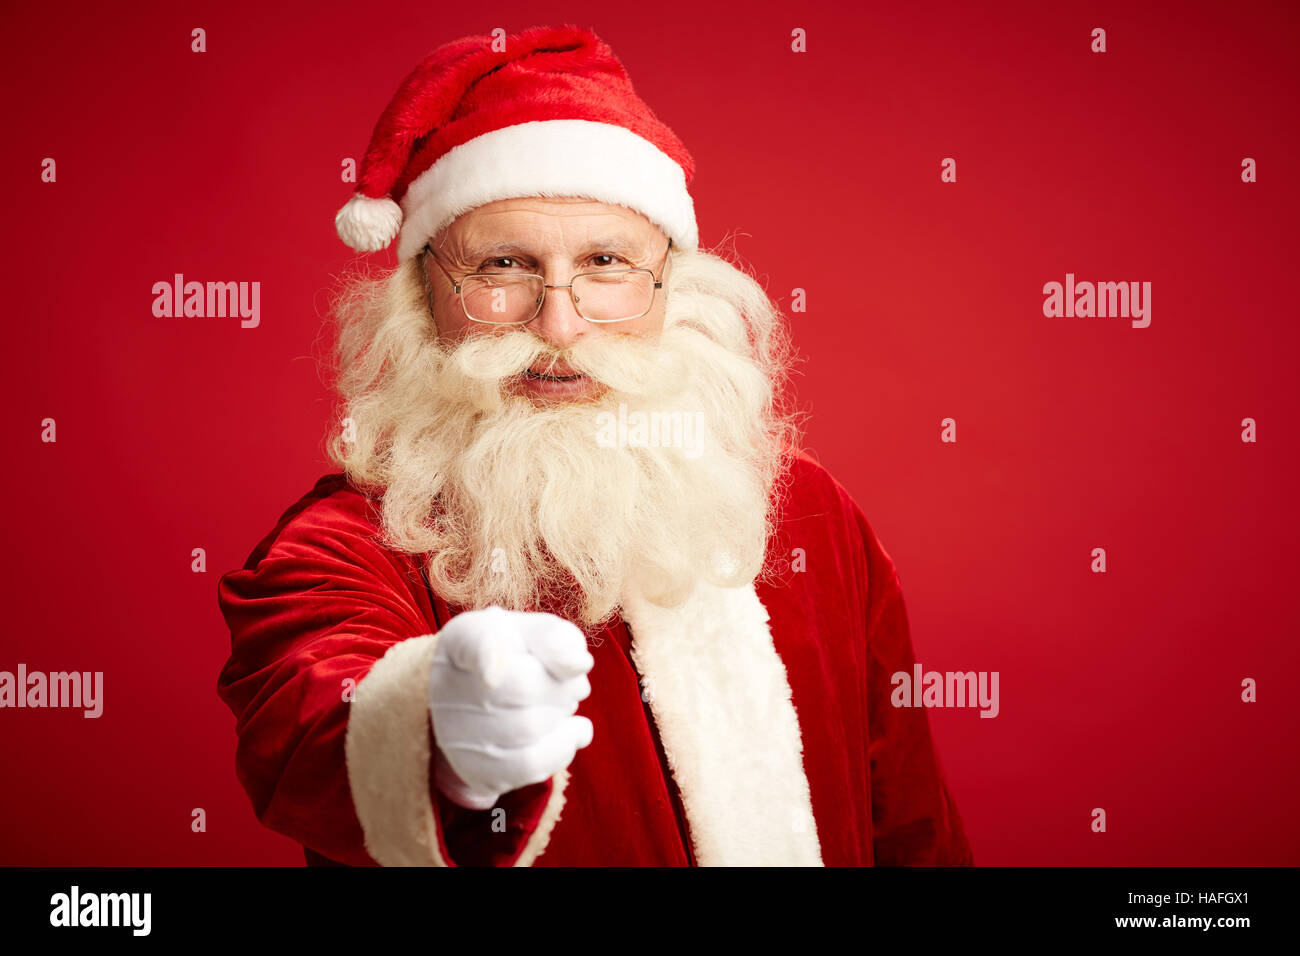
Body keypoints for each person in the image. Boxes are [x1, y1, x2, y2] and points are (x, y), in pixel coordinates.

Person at [216, 23, 973, 867]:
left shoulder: (809, 515)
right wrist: (438, 725)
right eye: (503, 266)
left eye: (607, 262)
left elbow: (911, 828)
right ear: (423, 293)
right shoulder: (347, 544)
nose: (560, 324)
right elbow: (309, 721)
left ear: (673, 286)